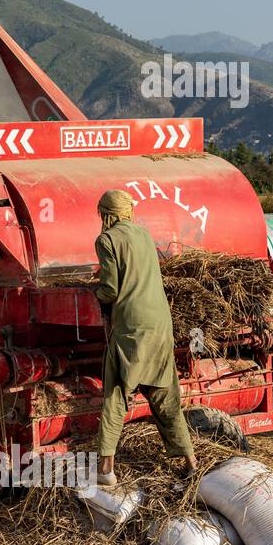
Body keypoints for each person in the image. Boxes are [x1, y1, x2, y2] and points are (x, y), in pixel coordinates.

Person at [92, 189, 197, 486]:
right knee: (165, 395)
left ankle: (106, 470)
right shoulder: (144, 235)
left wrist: (94, 294)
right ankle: (190, 462)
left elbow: (111, 289)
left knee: (115, 393)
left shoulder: (106, 240)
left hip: (132, 326)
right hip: (161, 323)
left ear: (107, 213)